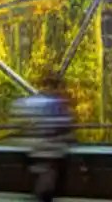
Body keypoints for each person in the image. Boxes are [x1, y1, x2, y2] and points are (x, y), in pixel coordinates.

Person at [11, 74, 74, 202]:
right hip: (50, 151)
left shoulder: (27, 103)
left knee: (42, 183)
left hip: (31, 150)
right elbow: (64, 126)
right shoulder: (56, 104)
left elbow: (18, 123)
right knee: (47, 185)